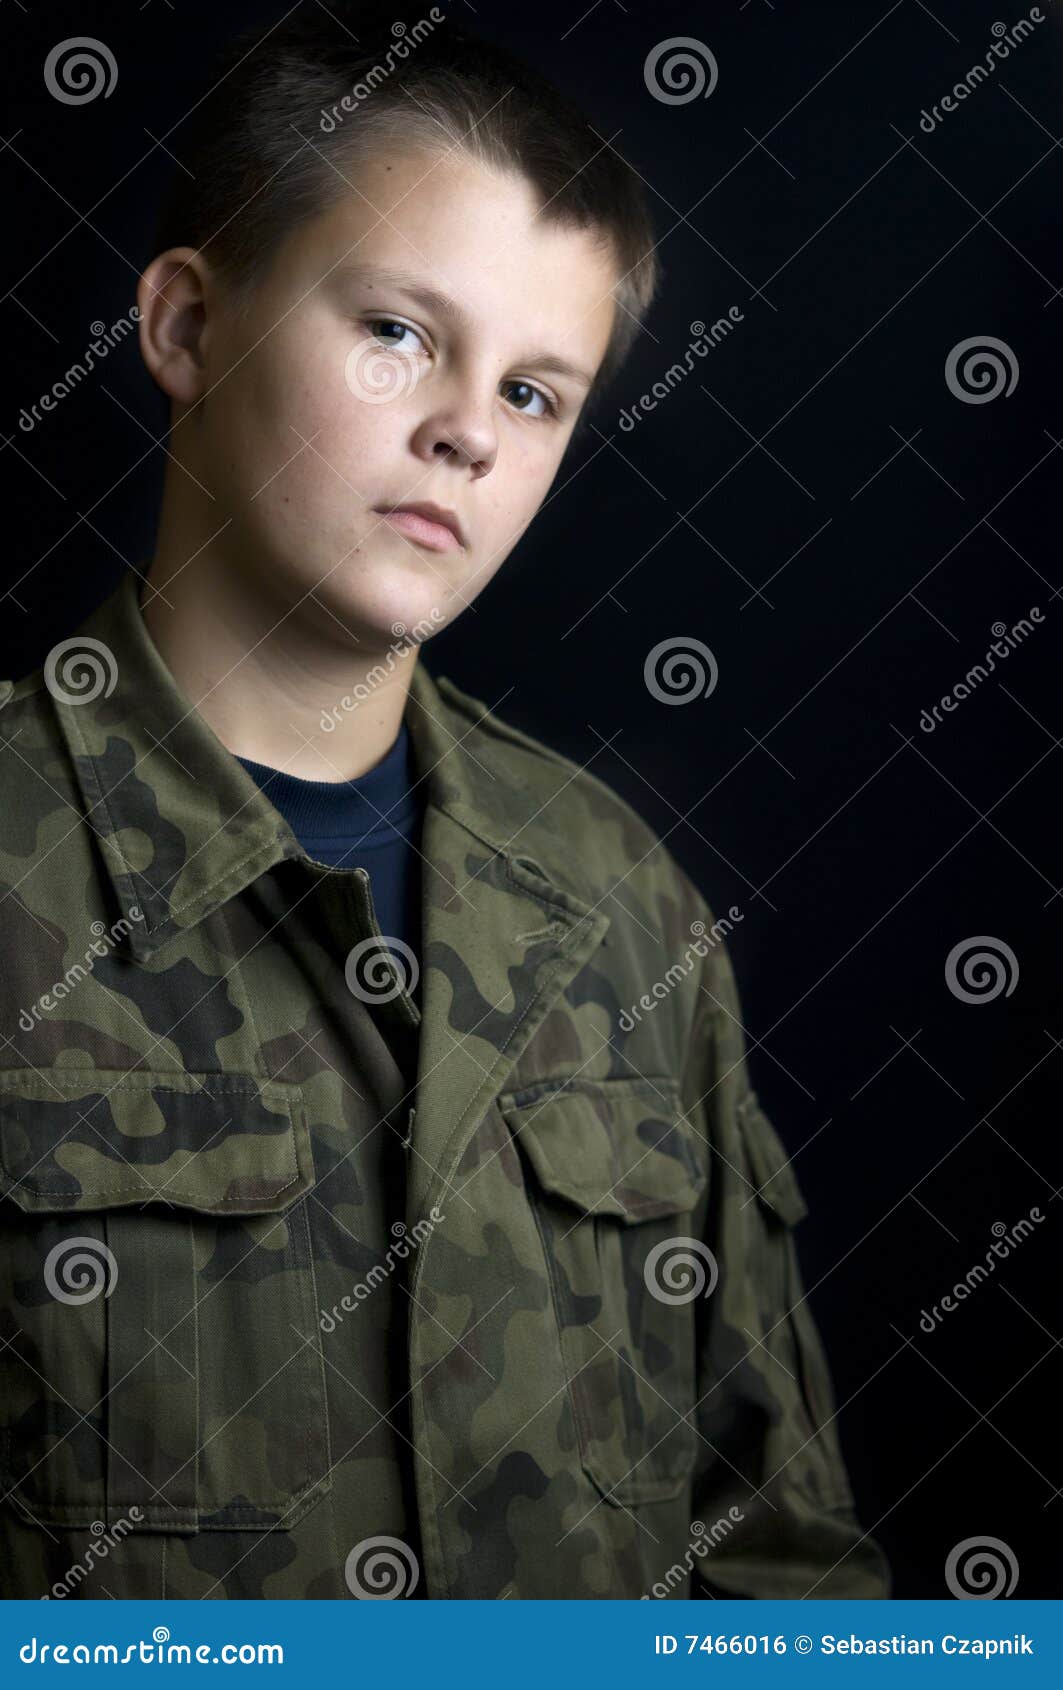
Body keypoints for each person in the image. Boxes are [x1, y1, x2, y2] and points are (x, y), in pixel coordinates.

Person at [0, 4, 890, 1600]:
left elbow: (776, 1563)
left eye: (538, 392)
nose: (468, 430)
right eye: (401, 331)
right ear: (189, 326)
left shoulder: (619, 906)